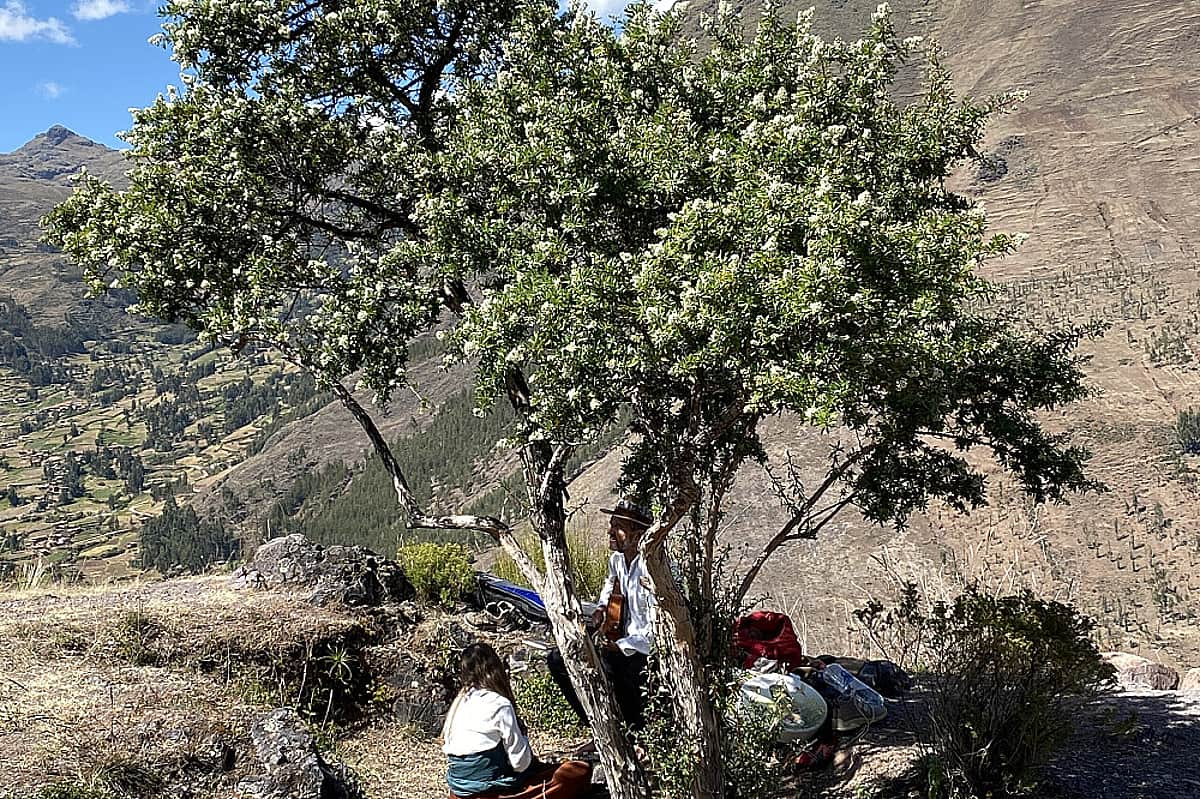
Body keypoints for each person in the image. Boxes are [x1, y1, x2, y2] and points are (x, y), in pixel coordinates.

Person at [547, 498, 656, 732]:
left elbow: (657, 631)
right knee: (559, 659)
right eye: (611, 524)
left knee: (616, 668)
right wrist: (600, 608)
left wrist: (622, 645)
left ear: (637, 536)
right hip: (618, 640)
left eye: (618, 526)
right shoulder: (617, 560)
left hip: (643, 652)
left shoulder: (654, 569)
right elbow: (610, 585)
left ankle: (634, 734)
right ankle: (598, 728)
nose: (610, 531)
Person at [443, 642, 592, 799]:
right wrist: (523, 736)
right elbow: (521, 764)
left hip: (459, 793)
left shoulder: (459, 701)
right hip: (491, 791)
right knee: (578, 771)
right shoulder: (500, 704)